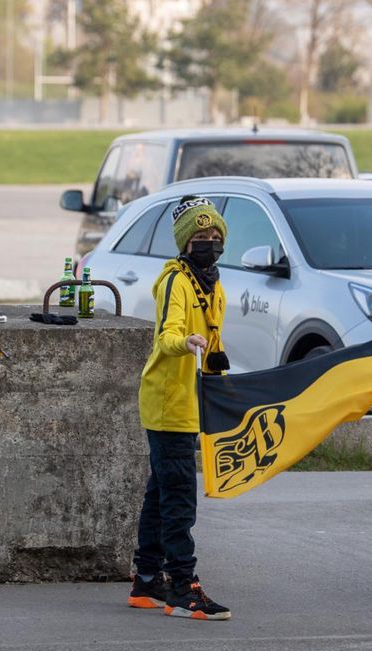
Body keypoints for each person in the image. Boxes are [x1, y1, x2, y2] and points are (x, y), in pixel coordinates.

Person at [127, 195, 231, 621]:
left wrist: (217, 368)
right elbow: (168, 335)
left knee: (161, 492)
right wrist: (185, 343)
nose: (208, 243)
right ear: (185, 243)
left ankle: (147, 579)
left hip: (192, 401)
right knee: (178, 499)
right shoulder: (176, 281)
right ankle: (182, 585)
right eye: (200, 237)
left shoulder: (212, 281)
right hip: (169, 402)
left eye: (214, 236)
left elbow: (212, 334)